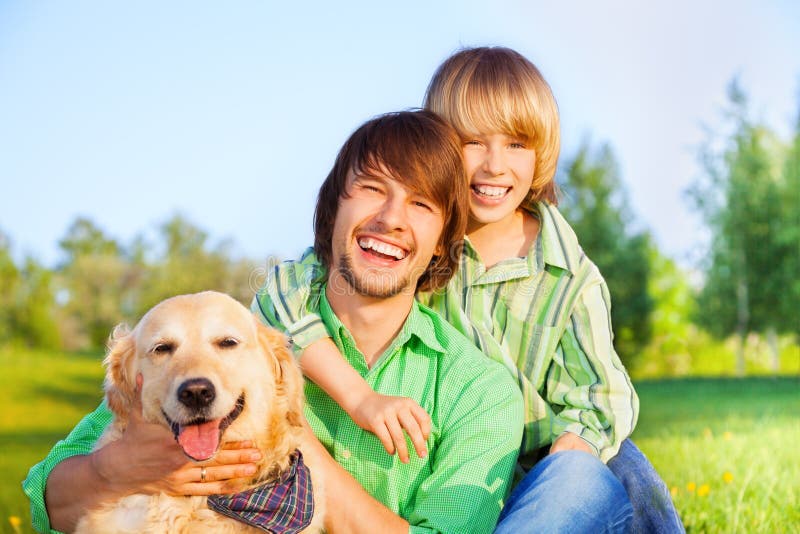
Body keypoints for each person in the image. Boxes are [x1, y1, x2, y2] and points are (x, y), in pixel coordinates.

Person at [23, 110, 526, 534]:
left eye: (421, 204)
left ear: (443, 239)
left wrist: (289, 435)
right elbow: (46, 502)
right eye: (372, 188)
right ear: (332, 213)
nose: (391, 218)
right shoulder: (232, 337)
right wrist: (115, 470)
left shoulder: (479, 392)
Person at [259, 47, 682, 533]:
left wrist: (564, 465)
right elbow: (285, 294)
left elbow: (604, 397)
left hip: (533, 467)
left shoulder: (569, 277)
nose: (495, 166)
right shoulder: (403, 240)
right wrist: (357, 397)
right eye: (473, 142)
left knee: (622, 471)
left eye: (518, 145)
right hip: (442, 457)